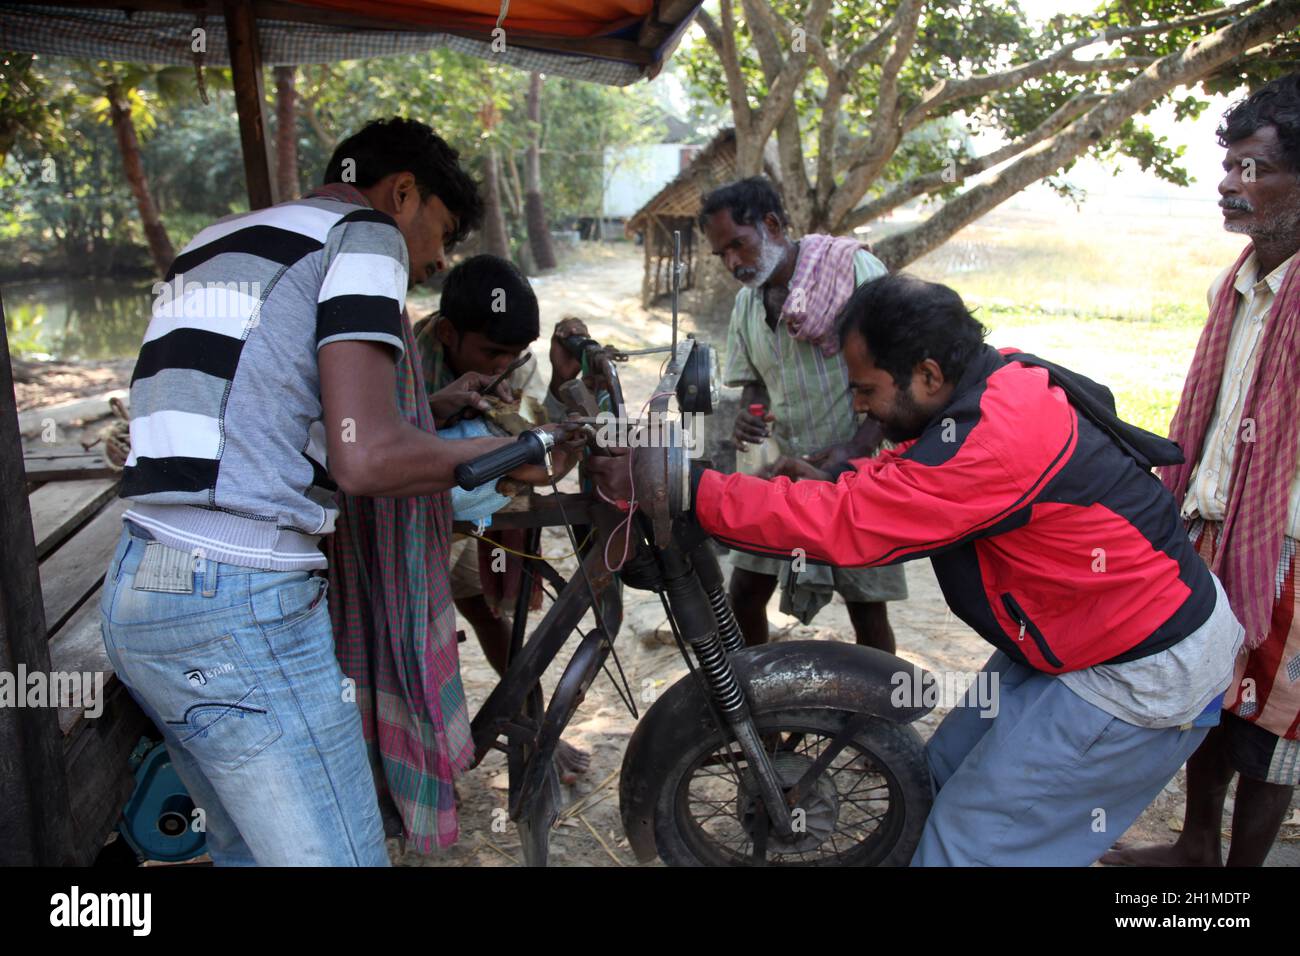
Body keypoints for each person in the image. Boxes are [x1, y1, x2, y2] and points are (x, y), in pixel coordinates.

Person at [589, 273, 1244, 866]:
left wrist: (685, 485)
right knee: (939, 780)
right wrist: (842, 474)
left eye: (867, 390)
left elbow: (850, 525)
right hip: (1073, 636)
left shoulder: (997, 439)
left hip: (1137, 672)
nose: (861, 408)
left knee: (968, 848)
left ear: (928, 376)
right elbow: (915, 476)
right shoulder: (992, 385)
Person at [100, 117, 544, 866]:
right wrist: (520, 448)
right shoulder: (366, 234)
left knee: (246, 854)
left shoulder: (217, 237)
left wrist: (426, 416)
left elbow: (258, 411)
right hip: (238, 601)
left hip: (142, 589)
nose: (433, 261)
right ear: (402, 193)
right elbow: (365, 461)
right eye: (436, 233)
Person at [1102, 73, 1300, 868]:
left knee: (1275, 714)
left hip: (1287, 542)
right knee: (1213, 694)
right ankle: (1195, 847)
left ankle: (1239, 880)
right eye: (1229, 167)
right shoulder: (1239, 284)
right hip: (1219, 522)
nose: (1229, 183)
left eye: (1253, 168)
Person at [699, 176, 907, 651]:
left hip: (855, 475)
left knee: (867, 607)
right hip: (782, 477)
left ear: (772, 225)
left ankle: (874, 719)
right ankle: (757, 711)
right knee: (745, 596)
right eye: (722, 255)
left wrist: (856, 449)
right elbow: (756, 380)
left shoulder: (852, 270)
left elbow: (897, 367)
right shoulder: (747, 306)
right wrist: (749, 415)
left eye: (739, 245)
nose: (733, 262)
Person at [408, 253, 592, 783]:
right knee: (419, 633)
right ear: (446, 333)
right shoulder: (404, 363)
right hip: (415, 517)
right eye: (490, 354)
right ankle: (425, 763)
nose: (500, 367)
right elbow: (382, 438)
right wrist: (436, 407)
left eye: (513, 357)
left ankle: (536, 734)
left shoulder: (514, 361)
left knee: (489, 617)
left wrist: (561, 383)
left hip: (470, 511)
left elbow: (538, 444)